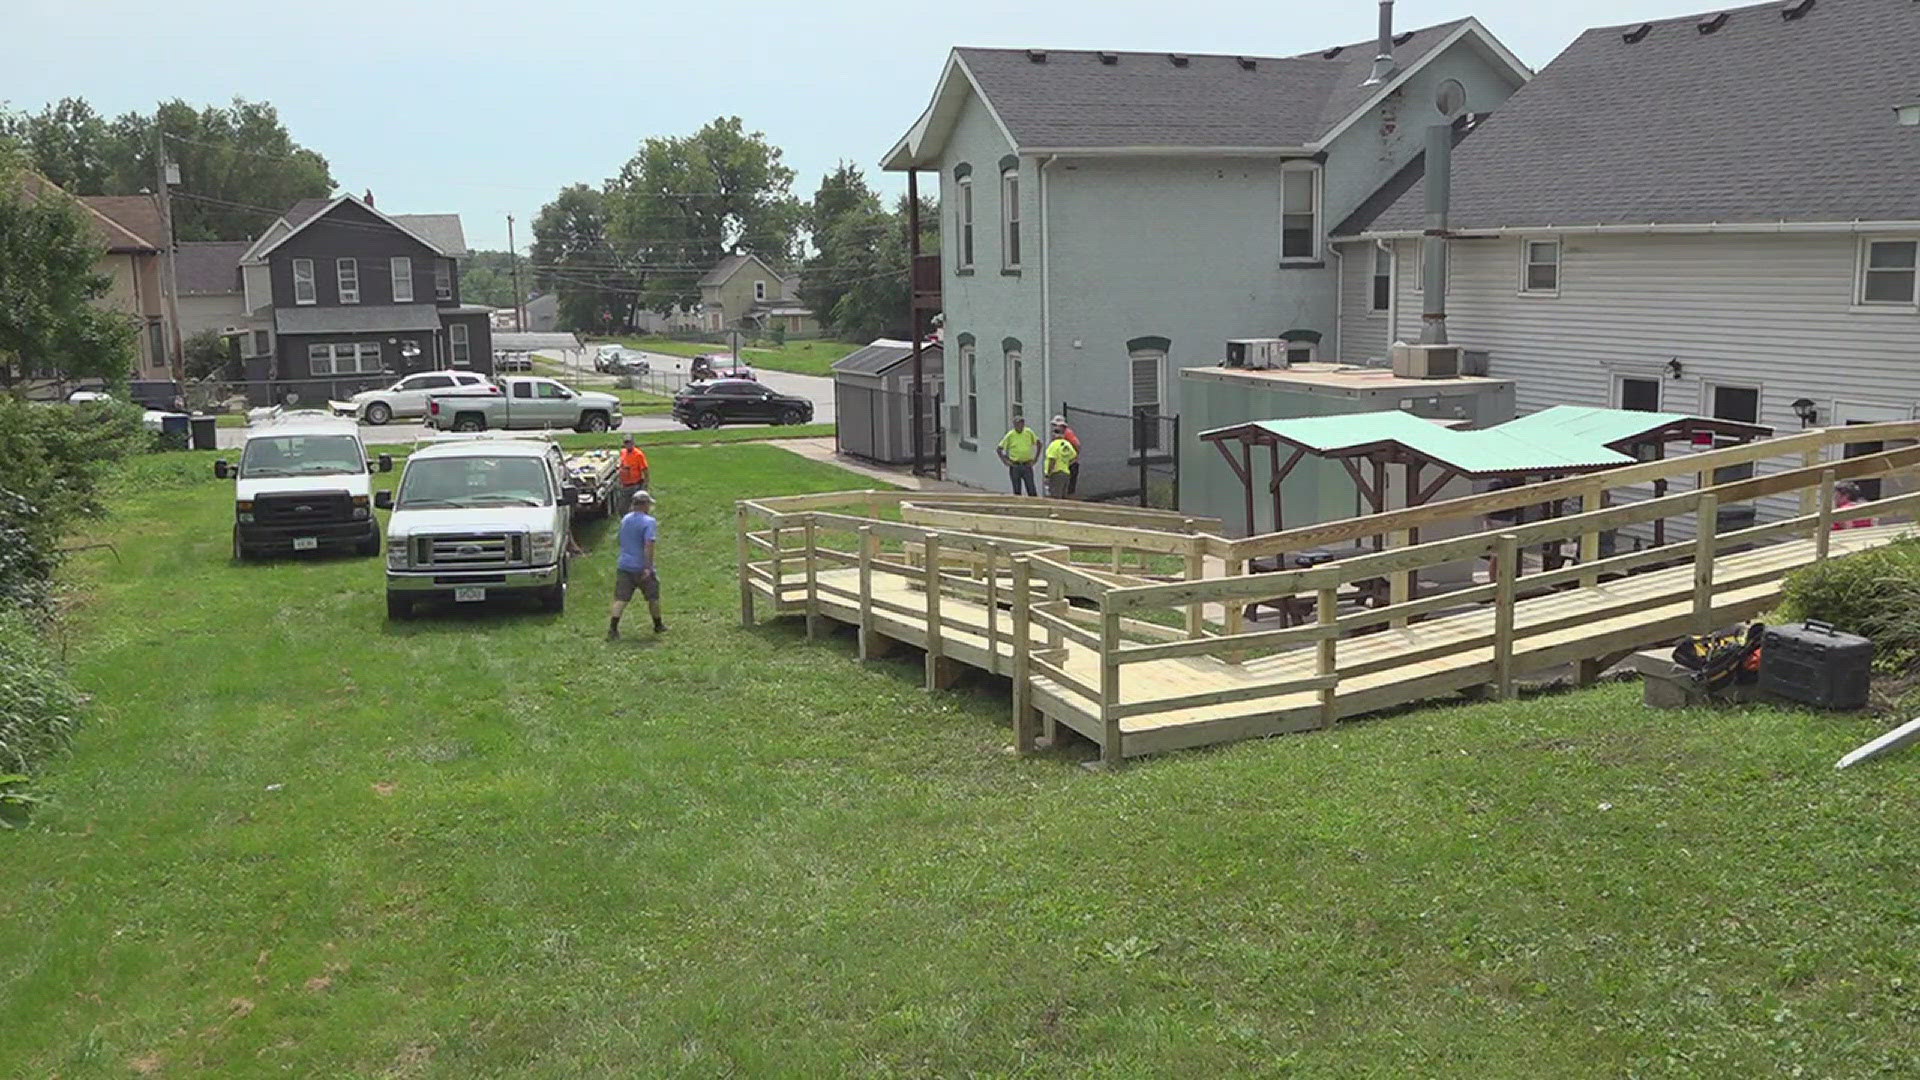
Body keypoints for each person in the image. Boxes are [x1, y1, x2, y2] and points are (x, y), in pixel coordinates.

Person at [609, 490, 664, 640]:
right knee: (653, 596)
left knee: (621, 599)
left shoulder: (625, 519)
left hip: (625, 565)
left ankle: (612, 629)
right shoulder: (649, 522)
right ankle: (658, 625)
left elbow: (620, 539)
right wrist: (648, 567)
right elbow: (649, 544)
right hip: (640, 567)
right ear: (644, 505)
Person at [997, 416, 1040, 496]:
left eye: (1021, 424)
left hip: (1027, 464)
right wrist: (1005, 461)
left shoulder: (1029, 432)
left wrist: (1035, 459)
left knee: (1031, 488)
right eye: (1017, 424)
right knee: (1017, 490)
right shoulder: (1010, 435)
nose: (1019, 426)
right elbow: (999, 449)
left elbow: (1038, 443)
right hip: (1015, 465)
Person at [616, 434, 649, 517]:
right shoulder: (623, 452)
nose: (628, 444)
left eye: (629, 442)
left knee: (637, 508)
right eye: (626, 442)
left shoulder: (639, 455)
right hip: (625, 485)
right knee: (622, 508)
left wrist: (645, 486)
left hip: (635, 486)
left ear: (633, 442)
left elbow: (645, 471)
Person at [1043, 424, 1079, 499]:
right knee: (1063, 497)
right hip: (1066, 473)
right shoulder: (1067, 445)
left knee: (1055, 497)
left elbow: (1052, 460)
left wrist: (1048, 474)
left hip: (1056, 473)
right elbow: (1074, 457)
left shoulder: (1054, 445)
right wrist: (1066, 463)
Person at [1051, 415, 1081, 496]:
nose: (1054, 427)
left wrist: (1073, 459)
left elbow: (1077, 445)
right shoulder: (1058, 434)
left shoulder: (1067, 433)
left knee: (1067, 489)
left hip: (1069, 465)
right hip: (1062, 465)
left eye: (1055, 425)